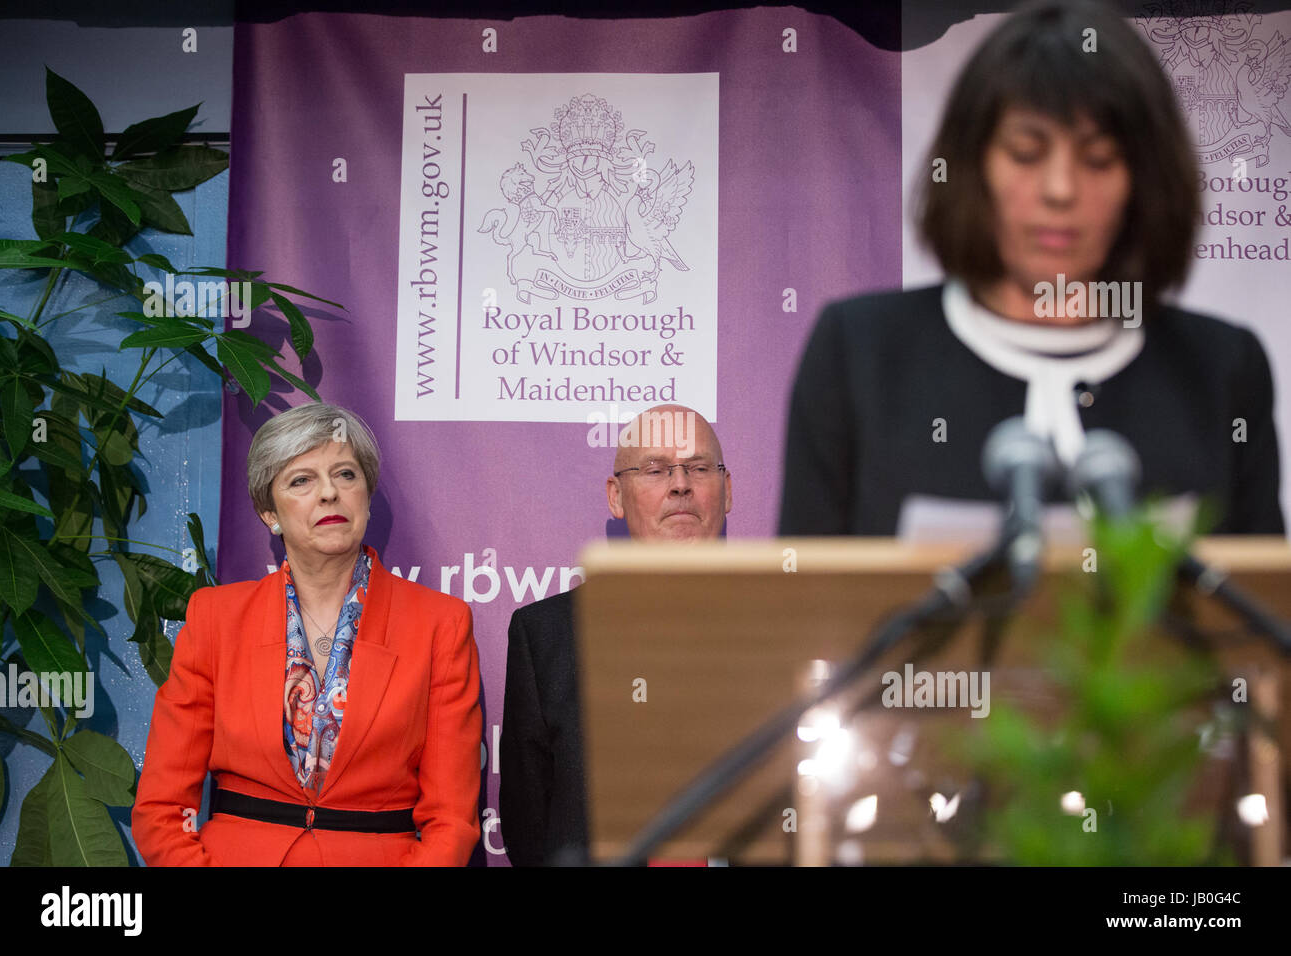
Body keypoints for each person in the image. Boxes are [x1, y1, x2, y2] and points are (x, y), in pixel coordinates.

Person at [779, 0, 1284, 537]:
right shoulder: (859, 354)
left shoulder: (1221, 370)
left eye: (1099, 159)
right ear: (973, 166)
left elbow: (1256, 610)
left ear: (1145, 182)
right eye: (1026, 153)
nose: (1060, 191)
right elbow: (801, 606)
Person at [133, 402, 482, 865]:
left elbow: (451, 819)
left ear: (367, 495)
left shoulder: (440, 623)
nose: (329, 494)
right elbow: (162, 805)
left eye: (345, 475)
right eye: (301, 480)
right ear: (269, 513)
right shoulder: (215, 617)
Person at [500, 404, 732, 865]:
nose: (681, 483)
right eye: (656, 469)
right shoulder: (545, 637)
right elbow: (529, 825)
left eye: (699, 468)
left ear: (727, 491)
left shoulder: (784, 629)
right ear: (615, 495)